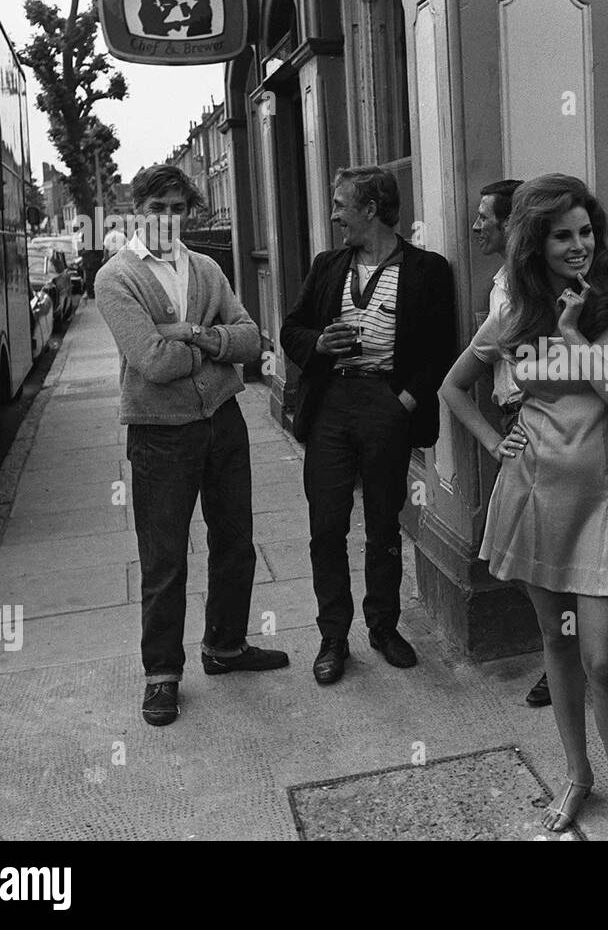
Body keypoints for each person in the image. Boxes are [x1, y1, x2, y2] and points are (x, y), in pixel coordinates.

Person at [440, 174, 608, 840]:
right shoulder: (515, 312)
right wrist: (494, 443)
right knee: (557, 647)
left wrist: (574, 334)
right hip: (534, 491)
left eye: (586, 231)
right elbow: (454, 387)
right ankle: (576, 776)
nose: (579, 245)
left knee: (603, 659)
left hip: (602, 498)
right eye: (563, 235)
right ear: (535, 244)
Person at [95, 165, 288, 728]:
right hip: (160, 434)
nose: (167, 219)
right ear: (138, 209)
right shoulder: (116, 278)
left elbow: (253, 339)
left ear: (190, 212)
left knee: (235, 541)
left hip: (222, 422)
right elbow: (154, 363)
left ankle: (225, 646)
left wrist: (194, 336)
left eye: (178, 208)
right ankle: (162, 675)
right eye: (157, 208)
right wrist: (212, 347)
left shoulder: (206, 267)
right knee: (164, 558)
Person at [280, 166, 456, 684]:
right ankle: (333, 637)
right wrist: (317, 343)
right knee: (326, 528)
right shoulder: (328, 265)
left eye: (341, 204)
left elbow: (441, 349)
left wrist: (403, 401)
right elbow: (292, 327)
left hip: (387, 406)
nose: (334, 214)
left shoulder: (428, 270)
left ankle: (384, 627)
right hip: (332, 405)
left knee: (384, 524)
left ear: (371, 209)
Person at [472, 178, 551, 709]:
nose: (477, 226)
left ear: (512, 224)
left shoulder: (536, 288)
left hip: (540, 419)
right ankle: (564, 647)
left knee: (542, 548)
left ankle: (562, 657)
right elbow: (460, 378)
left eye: (485, 218)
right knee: (521, 552)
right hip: (511, 421)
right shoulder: (501, 285)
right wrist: (492, 440)